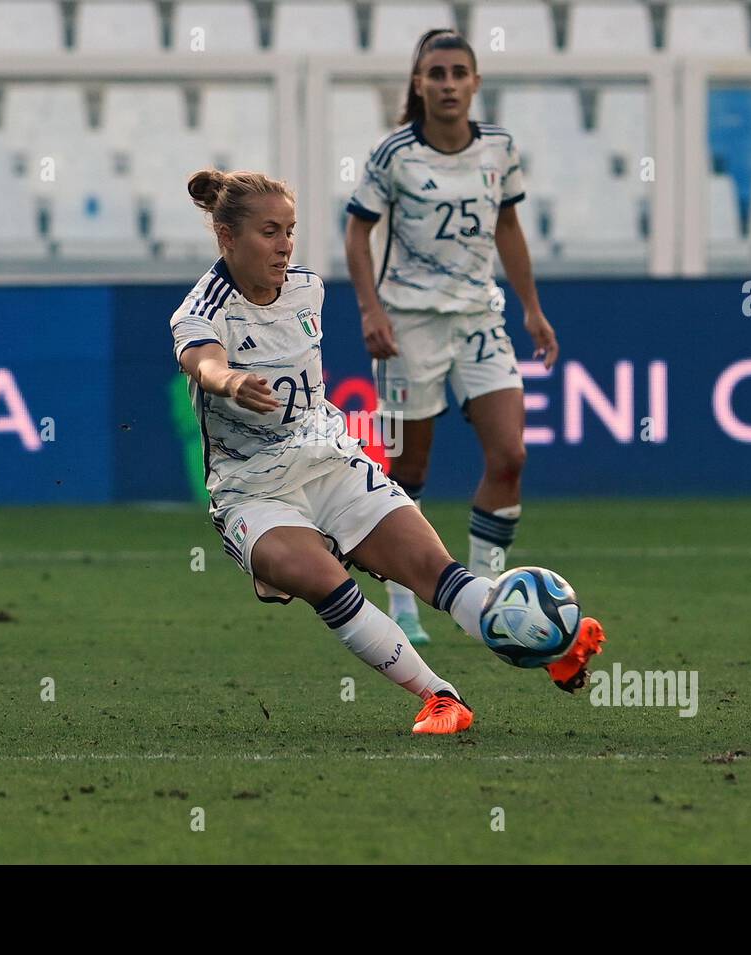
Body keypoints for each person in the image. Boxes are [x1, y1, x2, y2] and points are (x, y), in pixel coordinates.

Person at [169, 168, 604, 735]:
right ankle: (440, 697)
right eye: (269, 232)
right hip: (254, 491)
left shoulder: (307, 289)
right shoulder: (201, 309)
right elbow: (202, 361)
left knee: (436, 573)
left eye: (290, 230)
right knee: (324, 578)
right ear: (228, 238)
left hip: (332, 462)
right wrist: (229, 383)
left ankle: (555, 647)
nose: (284, 246)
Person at [344, 28, 557, 647]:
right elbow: (357, 234)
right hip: (408, 325)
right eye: (435, 74)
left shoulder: (498, 149)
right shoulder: (394, 155)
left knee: (510, 455)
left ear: (475, 83)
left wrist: (532, 309)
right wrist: (370, 310)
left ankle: (488, 596)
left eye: (458, 73)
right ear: (419, 84)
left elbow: (508, 226)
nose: (447, 84)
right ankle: (403, 599)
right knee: (409, 468)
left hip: (479, 318)